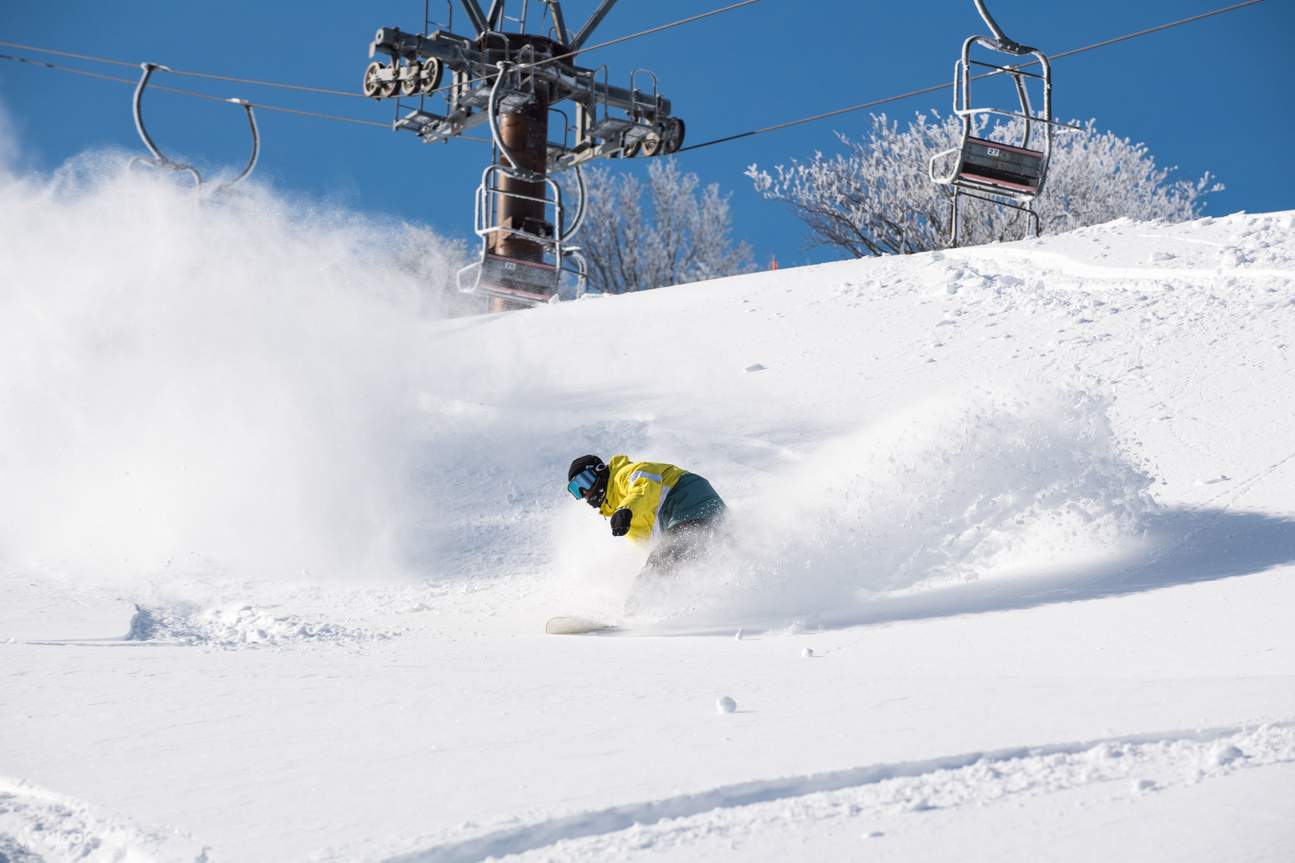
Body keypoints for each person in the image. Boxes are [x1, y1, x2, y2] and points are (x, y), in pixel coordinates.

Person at [567, 454, 727, 575]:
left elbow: (644, 486)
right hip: (695, 516)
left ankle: (638, 615)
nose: (585, 492)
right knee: (684, 566)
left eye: (585, 481)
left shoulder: (624, 474)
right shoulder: (622, 516)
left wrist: (626, 509)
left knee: (657, 569)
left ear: (600, 472)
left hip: (688, 500)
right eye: (576, 490)